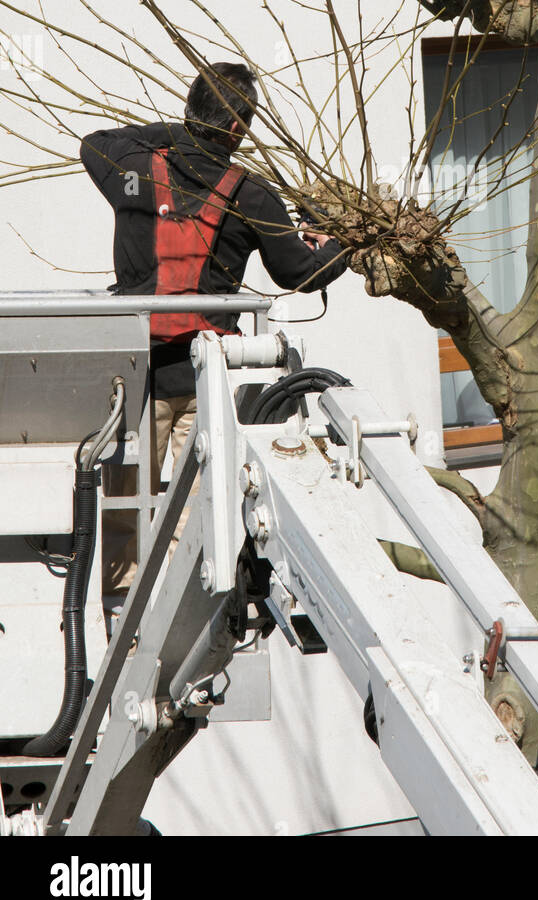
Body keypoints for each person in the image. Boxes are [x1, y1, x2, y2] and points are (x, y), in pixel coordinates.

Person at [80, 61, 346, 591]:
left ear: (188, 109)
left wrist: (177, 132)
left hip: (136, 383)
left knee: (124, 509)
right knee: (197, 514)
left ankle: (125, 628)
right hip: (206, 380)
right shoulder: (252, 194)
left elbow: (94, 141)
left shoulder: (130, 166)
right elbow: (300, 270)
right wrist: (341, 245)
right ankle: (185, 611)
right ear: (238, 129)